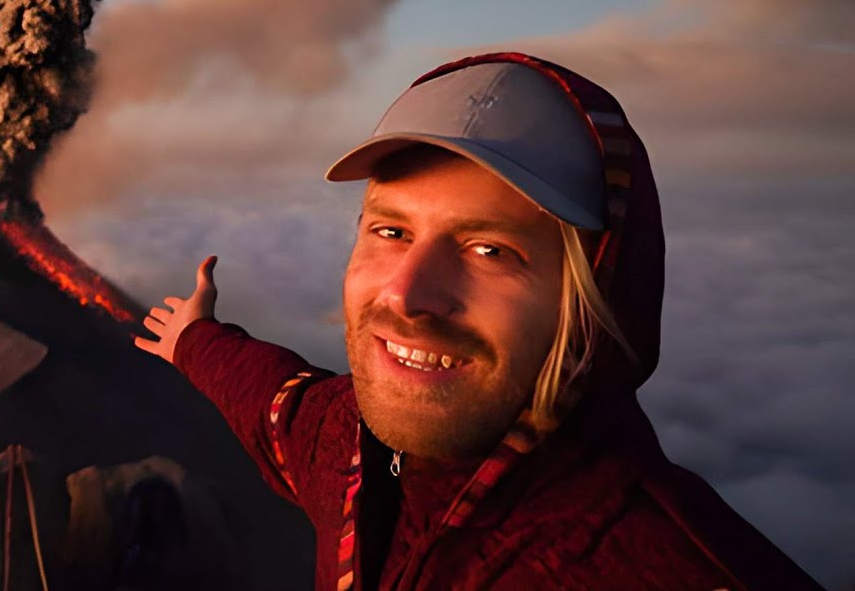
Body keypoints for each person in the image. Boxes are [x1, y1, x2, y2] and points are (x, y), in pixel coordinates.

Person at [133, 52, 821, 590]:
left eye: (490, 250)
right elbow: (271, 400)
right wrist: (195, 339)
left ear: (592, 303)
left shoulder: (647, 560)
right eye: (391, 231)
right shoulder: (342, 442)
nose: (407, 296)